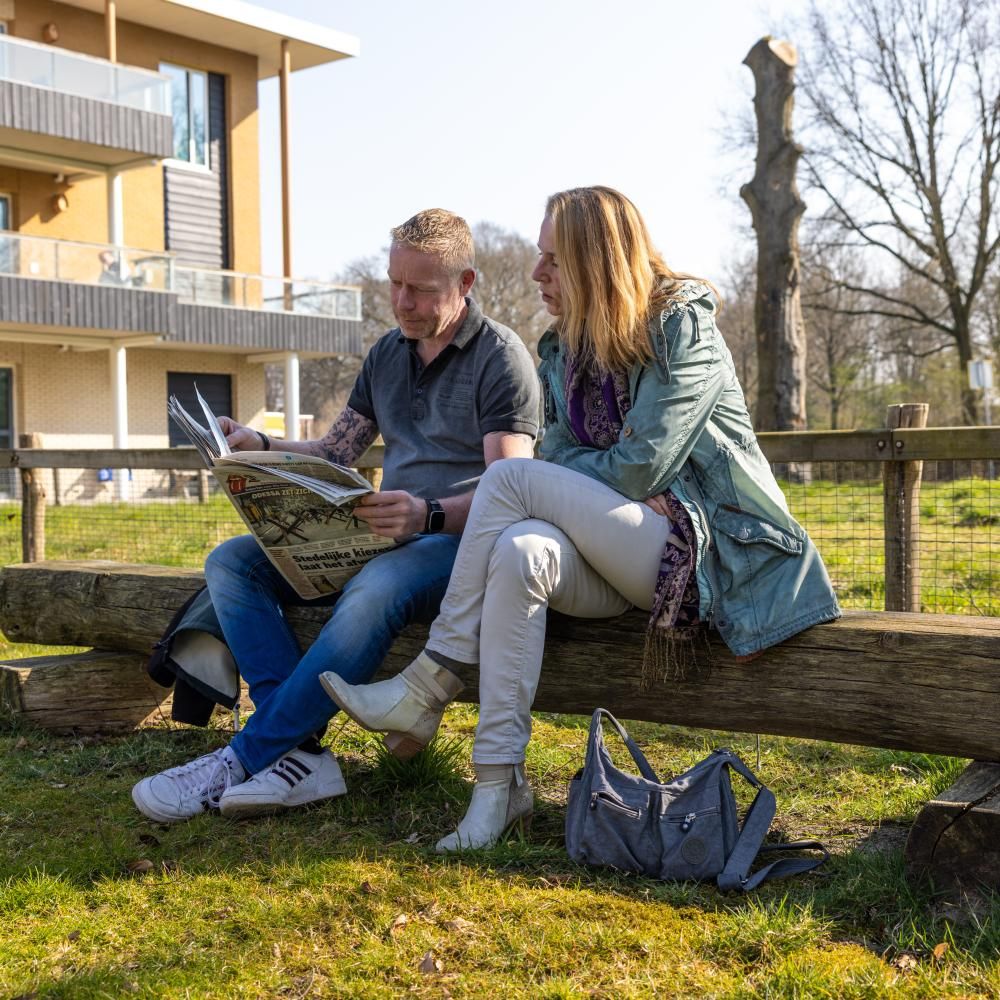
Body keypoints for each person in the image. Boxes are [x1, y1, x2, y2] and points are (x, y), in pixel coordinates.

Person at [323, 186, 841, 852]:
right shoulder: (564, 349)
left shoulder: (683, 325)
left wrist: (603, 481)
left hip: (710, 554)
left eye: (552, 259)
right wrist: (602, 486)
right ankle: (496, 789)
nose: (537, 273)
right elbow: (568, 453)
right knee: (521, 550)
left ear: (598, 261)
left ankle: (428, 684)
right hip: (621, 547)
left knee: (510, 477)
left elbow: (640, 463)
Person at [131, 208, 540, 824]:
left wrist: (425, 514)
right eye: (393, 283)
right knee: (233, 562)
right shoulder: (386, 353)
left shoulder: (501, 359)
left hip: (454, 543)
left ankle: (242, 760)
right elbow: (334, 452)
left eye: (421, 290)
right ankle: (301, 754)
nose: (401, 302)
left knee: (373, 591)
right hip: (383, 532)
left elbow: (512, 491)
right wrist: (258, 446)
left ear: (466, 283)